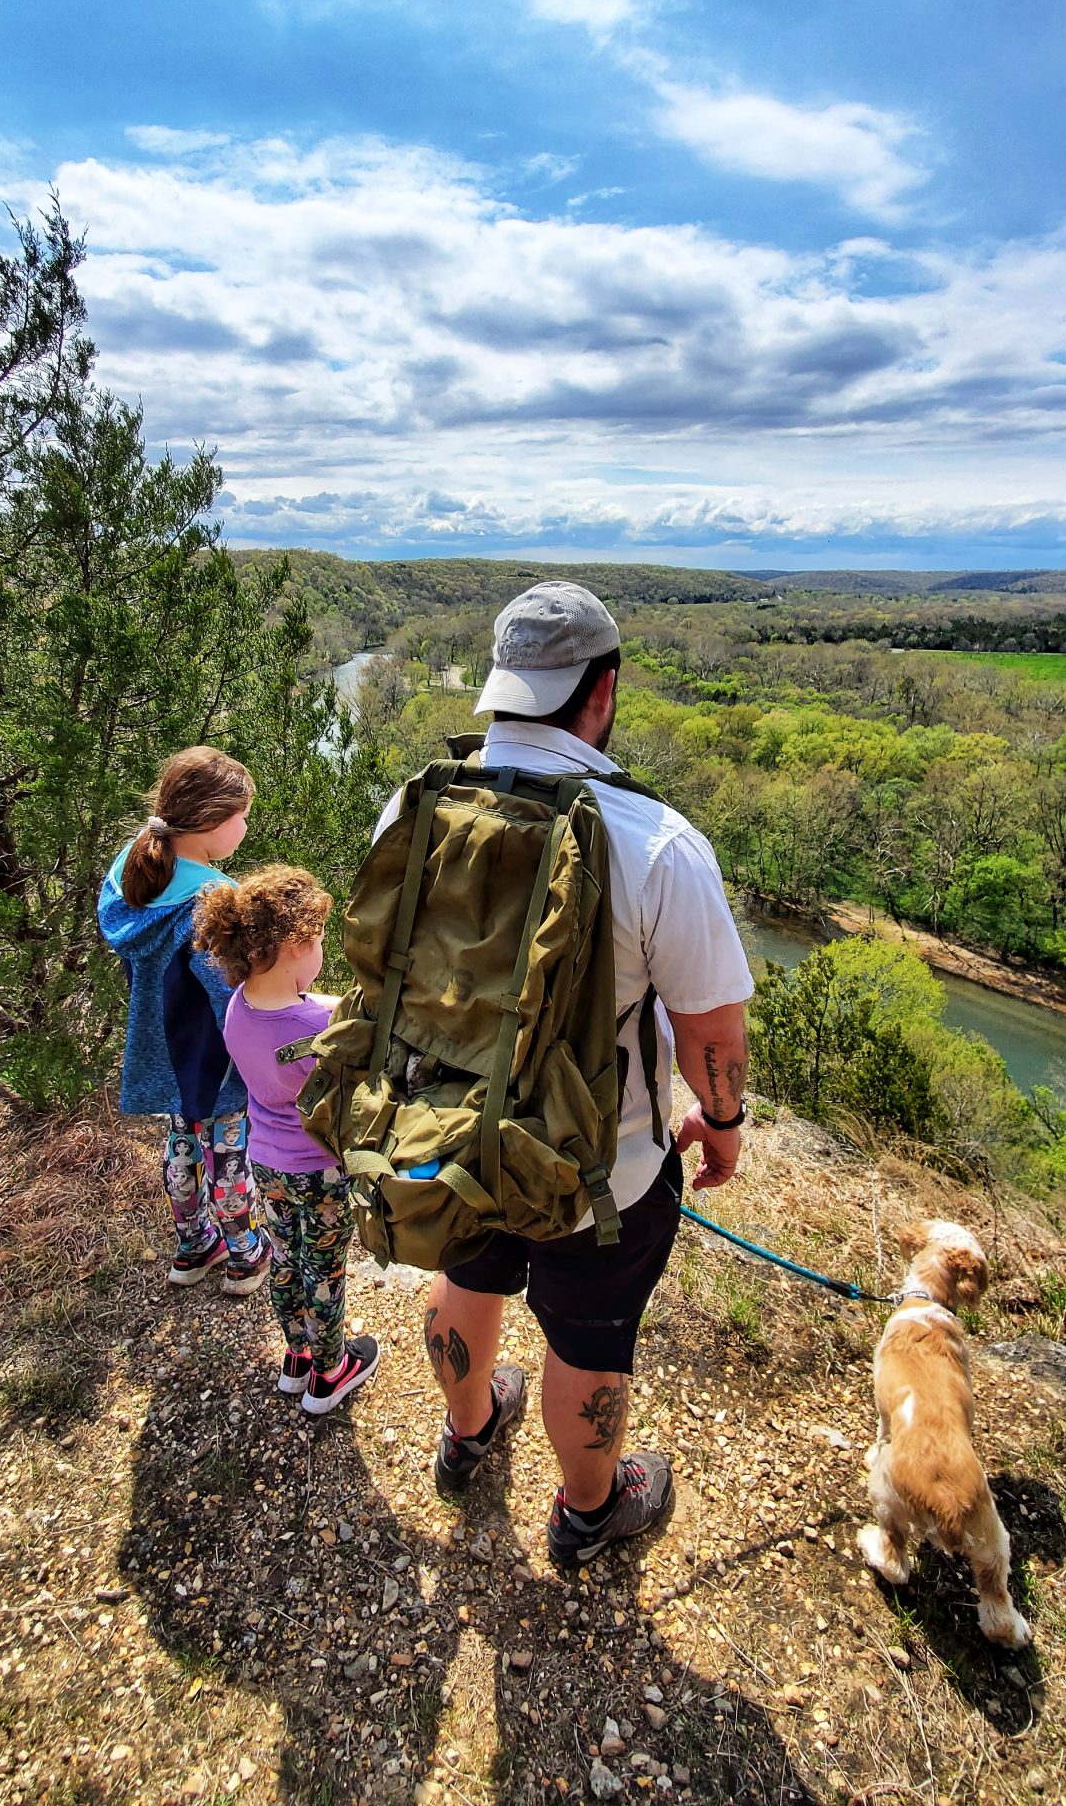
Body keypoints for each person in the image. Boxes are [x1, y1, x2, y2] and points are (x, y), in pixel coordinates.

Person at [374, 581, 754, 1566]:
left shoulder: (412, 804)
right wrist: (721, 1119)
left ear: (504, 688)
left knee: (466, 1271)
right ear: (604, 691)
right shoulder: (659, 843)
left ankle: (468, 1432)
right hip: (601, 1167)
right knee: (589, 1335)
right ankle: (589, 1507)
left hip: (450, 1126)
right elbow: (712, 1027)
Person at [194, 866, 382, 1415]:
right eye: (320, 940)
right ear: (296, 945)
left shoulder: (238, 1008)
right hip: (321, 1167)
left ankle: (297, 1356)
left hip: (267, 1162)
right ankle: (331, 1373)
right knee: (324, 1266)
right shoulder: (316, 1026)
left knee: (284, 1257)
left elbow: (291, 1012)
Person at [98, 747, 270, 1294]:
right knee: (227, 1152)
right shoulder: (211, 898)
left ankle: (192, 1247)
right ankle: (245, 1254)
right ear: (209, 821)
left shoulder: (133, 867)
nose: (245, 826)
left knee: (180, 1144)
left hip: (158, 1045)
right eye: (241, 815)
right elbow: (230, 994)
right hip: (211, 1054)